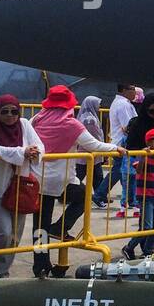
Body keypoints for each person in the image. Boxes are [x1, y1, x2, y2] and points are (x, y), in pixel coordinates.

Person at [31, 85, 123, 277]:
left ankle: (40, 265)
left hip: (37, 179)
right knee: (84, 196)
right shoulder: (71, 124)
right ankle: (61, 227)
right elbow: (94, 144)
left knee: (40, 226)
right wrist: (116, 148)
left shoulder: (37, 119)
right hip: (60, 179)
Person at [0, 93, 44, 279]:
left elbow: (39, 145)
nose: (10, 115)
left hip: (20, 187)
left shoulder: (24, 124)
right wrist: (22, 152)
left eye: (14, 111)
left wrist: (34, 152)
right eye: (5, 112)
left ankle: (1, 273)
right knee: (3, 233)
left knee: (14, 237)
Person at [124, 129, 154, 259]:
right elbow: (139, 170)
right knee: (147, 227)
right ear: (149, 143)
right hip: (146, 195)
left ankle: (148, 250)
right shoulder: (143, 154)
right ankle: (129, 247)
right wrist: (144, 157)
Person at [92, 82, 137, 209]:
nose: (135, 92)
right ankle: (99, 195)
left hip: (120, 142)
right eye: (132, 89)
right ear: (123, 90)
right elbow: (128, 126)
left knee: (126, 172)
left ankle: (131, 199)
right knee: (118, 171)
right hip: (123, 143)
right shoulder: (123, 105)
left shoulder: (121, 103)